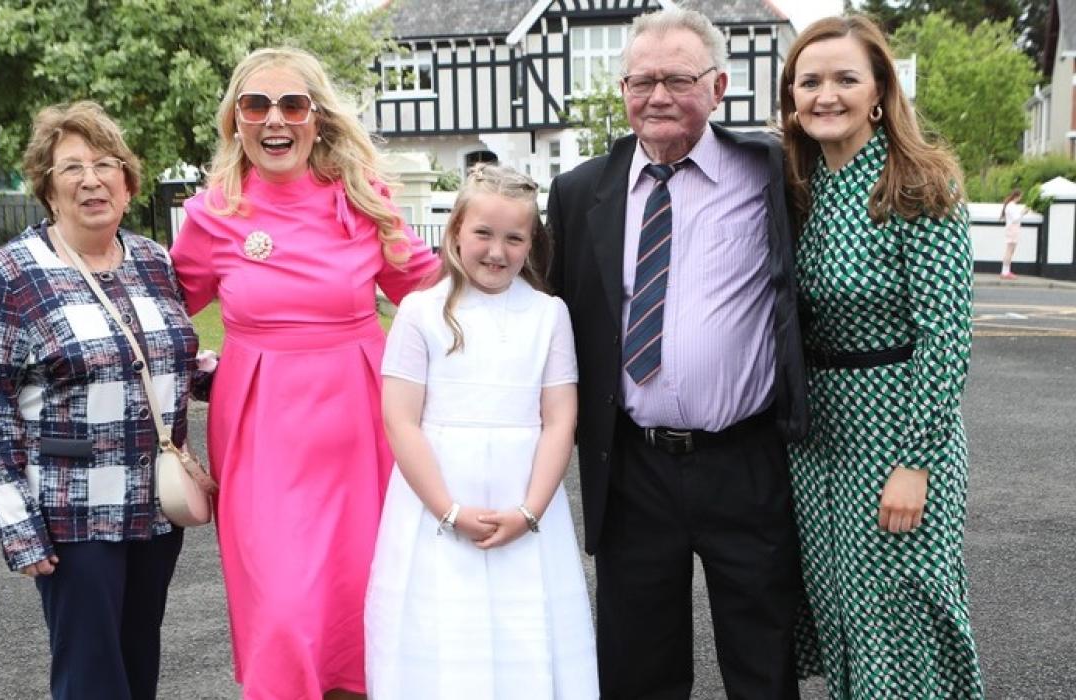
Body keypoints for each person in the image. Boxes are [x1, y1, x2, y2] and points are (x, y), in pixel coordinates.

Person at [546, 8, 808, 699]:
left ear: (718, 87)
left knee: (761, 662)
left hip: (745, 462)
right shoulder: (579, 193)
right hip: (632, 467)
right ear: (625, 88)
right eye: (642, 80)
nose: (658, 96)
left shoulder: (772, 174)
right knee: (636, 669)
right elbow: (541, 315)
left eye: (679, 79)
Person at [170, 47, 439, 698]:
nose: (274, 121)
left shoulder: (362, 200)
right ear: (235, 119)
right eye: (255, 105)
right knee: (284, 614)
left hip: (360, 434)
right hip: (261, 440)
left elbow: (430, 291)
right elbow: (161, 318)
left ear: (317, 118)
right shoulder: (212, 215)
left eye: (292, 105)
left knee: (361, 607)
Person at [0, 101, 200, 700]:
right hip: (74, 516)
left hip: (154, 509)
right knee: (91, 678)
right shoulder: (11, 274)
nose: (91, 180)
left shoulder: (152, 260)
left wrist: (250, 371)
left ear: (128, 183)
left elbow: (161, 360)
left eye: (105, 164)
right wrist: (18, 525)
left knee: (138, 664)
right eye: (71, 168)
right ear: (47, 188)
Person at [780, 15, 984, 698]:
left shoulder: (921, 185)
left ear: (878, 93)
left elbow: (946, 336)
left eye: (844, 79)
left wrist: (915, 464)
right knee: (842, 609)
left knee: (903, 610)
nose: (825, 95)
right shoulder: (805, 189)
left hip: (897, 434)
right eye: (809, 82)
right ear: (792, 98)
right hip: (820, 443)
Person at [365, 164, 598, 698]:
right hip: (436, 507)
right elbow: (400, 419)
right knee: (443, 635)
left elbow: (560, 418)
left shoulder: (548, 315)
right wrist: (447, 509)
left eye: (514, 238)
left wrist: (530, 511)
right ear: (455, 235)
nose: (497, 251)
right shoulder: (421, 312)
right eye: (483, 234)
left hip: (524, 504)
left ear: (531, 242)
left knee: (526, 632)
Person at [1000, 188, 1026, 280]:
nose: (1020, 199)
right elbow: (1015, 219)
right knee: (1009, 251)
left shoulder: (1010, 205)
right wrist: (1023, 213)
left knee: (1011, 251)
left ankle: (1006, 270)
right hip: (1012, 229)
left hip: (1012, 229)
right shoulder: (1011, 206)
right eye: (1020, 197)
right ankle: (1005, 271)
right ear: (1016, 196)